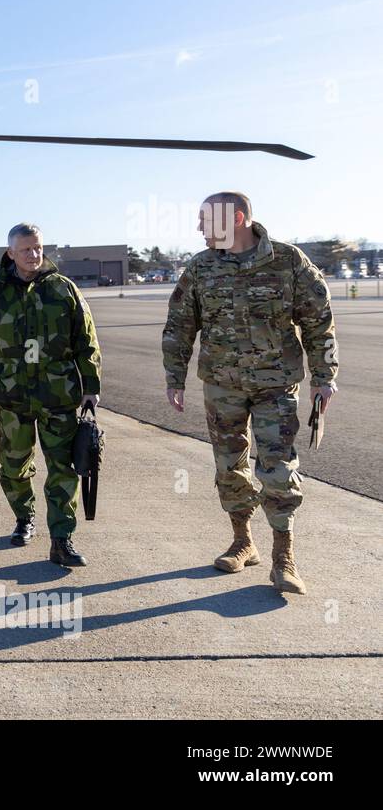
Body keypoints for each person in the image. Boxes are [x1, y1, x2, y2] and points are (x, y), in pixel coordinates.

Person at [162, 192, 337, 594]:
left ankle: (284, 558)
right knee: (228, 465)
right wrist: (174, 378)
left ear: (236, 218)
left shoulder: (288, 260)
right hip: (222, 385)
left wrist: (324, 376)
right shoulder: (201, 267)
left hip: (275, 385)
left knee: (276, 467)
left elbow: (319, 322)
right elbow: (179, 325)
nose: (199, 228)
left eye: (206, 220)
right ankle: (243, 541)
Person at [0, 222, 101, 567]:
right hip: (13, 397)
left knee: (64, 468)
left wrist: (91, 388)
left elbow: (87, 342)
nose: (34, 254)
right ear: (10, 253)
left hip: (60, 395)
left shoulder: (63, 289)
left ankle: (61, 539)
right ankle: (24, 517)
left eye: (38, 247)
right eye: (26, 249)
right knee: (13, 467)